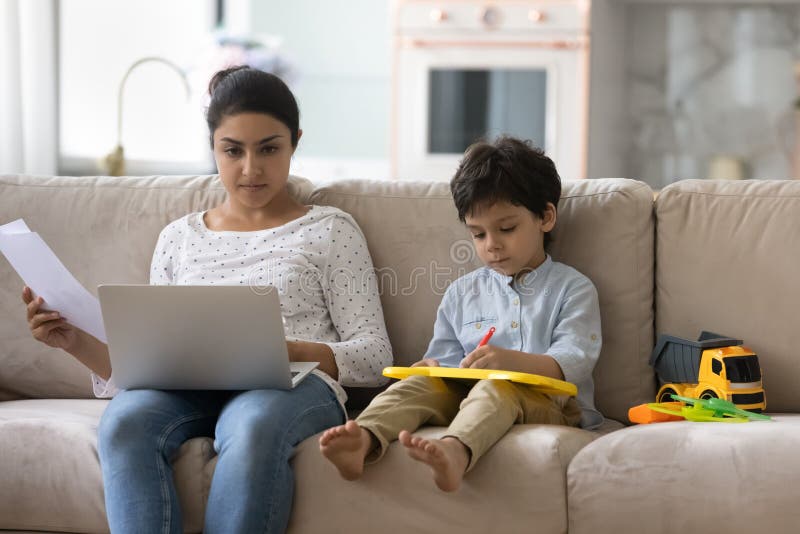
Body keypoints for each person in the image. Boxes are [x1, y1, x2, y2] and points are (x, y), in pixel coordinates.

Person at [22, 66, 392, 534]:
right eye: (232, 150)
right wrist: (72, 340)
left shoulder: (331, 230)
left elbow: (377, 357)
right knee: (124, 422)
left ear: (295, 142)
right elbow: (143, 369)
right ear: (213, 147)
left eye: (269, 149)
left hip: (288, 388)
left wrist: (284, 351)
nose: (250, 169)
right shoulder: (178, 238)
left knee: (253, 424)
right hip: (189, 388)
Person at [319, 136, 603, 492]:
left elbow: (574, 360)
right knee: (419, 385)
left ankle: (455, 451)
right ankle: (362, 438)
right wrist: (428, 367)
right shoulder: (461, 293)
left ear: (545, 217)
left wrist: (511, 363)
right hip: (465, 395)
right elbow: (445, 362)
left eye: (506, 229)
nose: (491, 245)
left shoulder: (573, 288)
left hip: (554, 406)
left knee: (497, 388)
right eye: (478, 234)